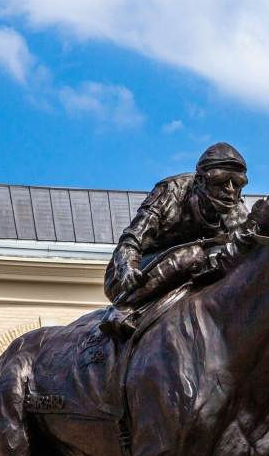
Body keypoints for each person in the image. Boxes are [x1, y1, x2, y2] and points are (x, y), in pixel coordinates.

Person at [100, 142, 250, 338]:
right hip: (133, 277)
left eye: (236, 184)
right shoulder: (171, 191)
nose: (230, 190)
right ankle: (123, 307)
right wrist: (127, 268)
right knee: (194, 255)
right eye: (221, 182)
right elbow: (132, 239)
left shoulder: (236, 211)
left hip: (189, 275)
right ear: (200, 180)